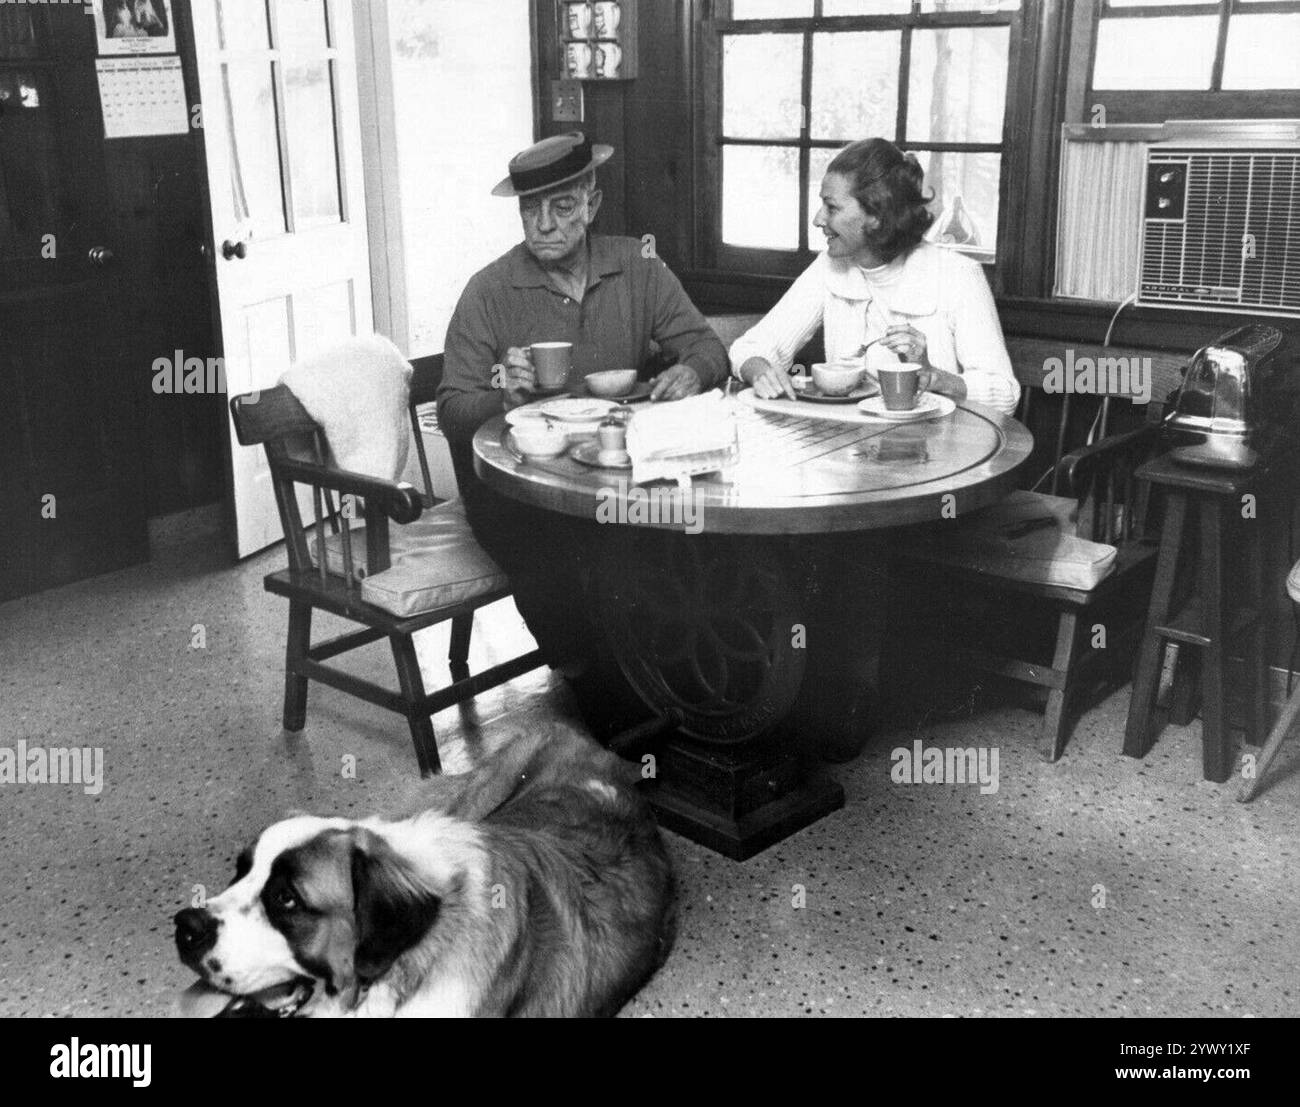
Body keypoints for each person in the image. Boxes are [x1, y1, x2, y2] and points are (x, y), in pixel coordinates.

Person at [437, 132, 729, 734]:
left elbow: (707, 348)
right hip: (516, 492)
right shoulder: (488, 291)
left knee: (680, 545)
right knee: (566, 565)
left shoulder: (638, 265)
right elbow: (452, 409)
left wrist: (689, 369)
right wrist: (506, 395)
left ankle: (687, 695)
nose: (543, 224)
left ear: (592, 205)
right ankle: (620, 718)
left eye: (562, 206)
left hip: (611, 474)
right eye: (530, 209)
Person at [730, 138, 1019, 416]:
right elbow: (751, 346)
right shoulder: (829, 267)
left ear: (876, 215)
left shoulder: (958, 276)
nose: (818, 219)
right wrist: (760, 371)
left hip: (941, 452)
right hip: (852, 450)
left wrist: (935, 378)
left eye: (832, 207)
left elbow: (1005, 395)